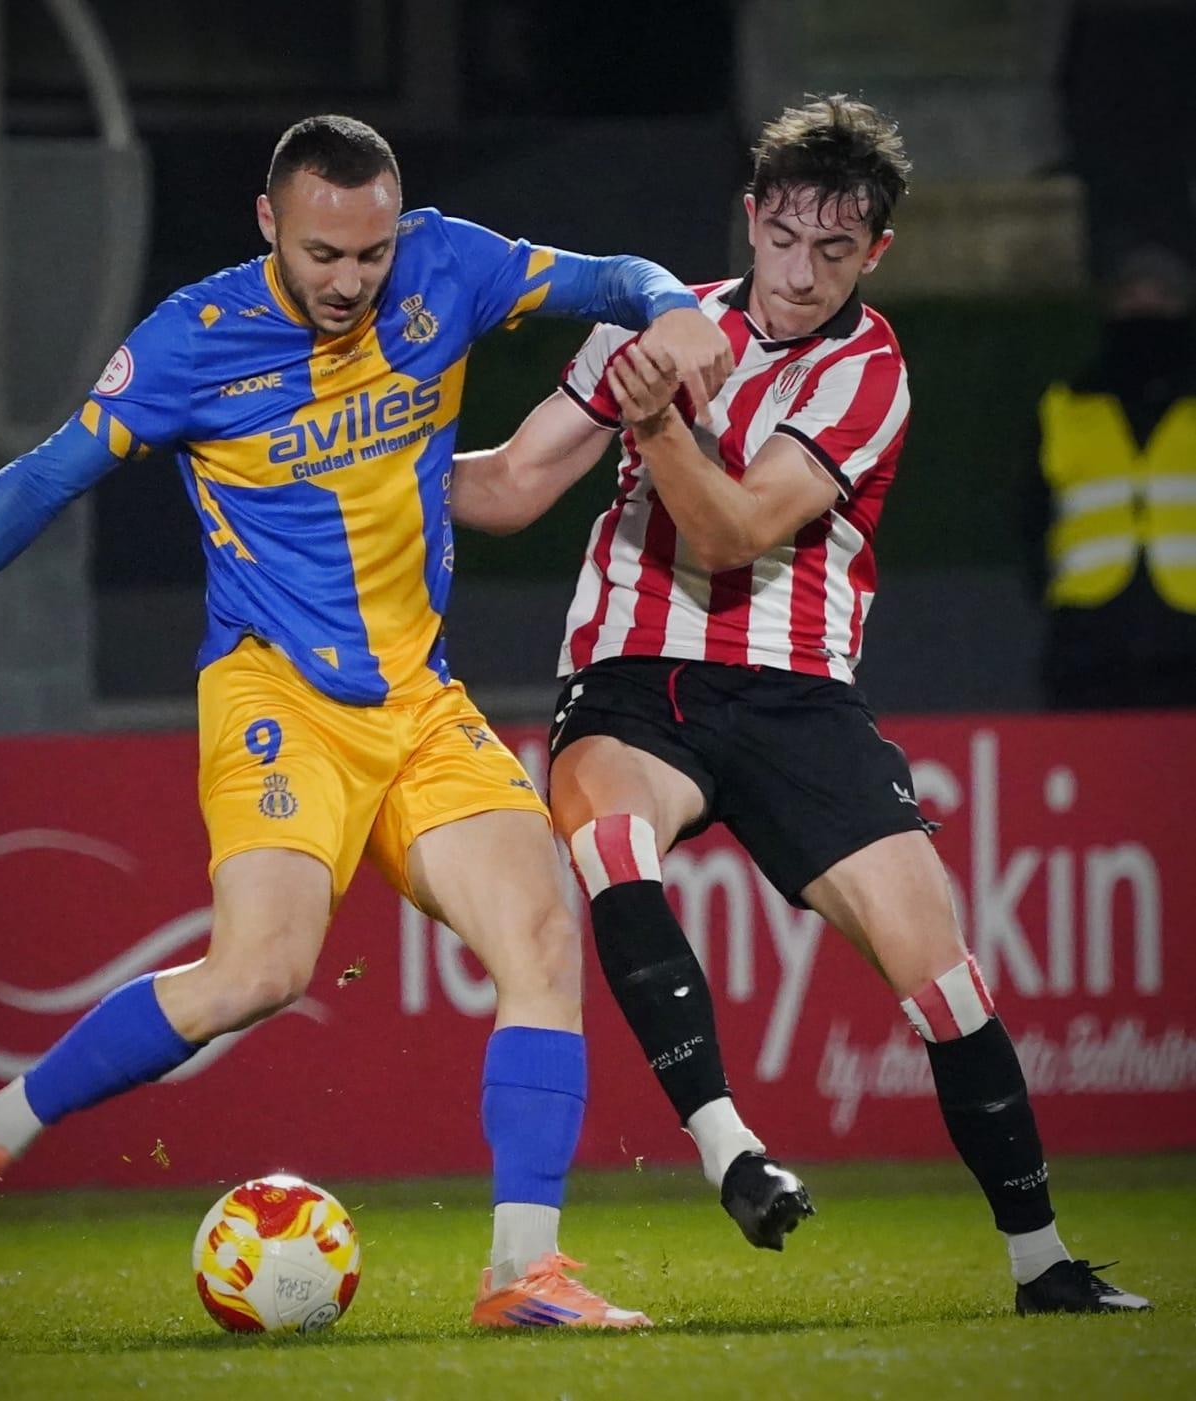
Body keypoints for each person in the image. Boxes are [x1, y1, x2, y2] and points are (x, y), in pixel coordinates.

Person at [0, 113, 736, 1330]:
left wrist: (672, 302)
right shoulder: (192, 342)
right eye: (322, 256)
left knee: (538, 927)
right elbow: (46, 472)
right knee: (262, 970)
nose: (349, 283)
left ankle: (524, 1272)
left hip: (417, 697)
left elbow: (613, 280)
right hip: (275, 696)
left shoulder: (448, 265)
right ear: (270, 224)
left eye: (368, 257)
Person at [452, 95, 1151, 1316]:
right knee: (612, 846)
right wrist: (346, 463)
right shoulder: (657, 321)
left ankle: (1043, 1264)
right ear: (753, 216)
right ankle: (731, 1147)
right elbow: (508, 488)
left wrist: (652, 407)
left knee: (943, 980)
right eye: (787, 237)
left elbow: (730, 529)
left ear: (875, 251)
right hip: (631, 679)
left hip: (797, 698)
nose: (804, 272)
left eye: (838, 250)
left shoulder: (869, 371)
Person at [1022, 244, 1196, 710]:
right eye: (1133, 296)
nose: (1146, 308)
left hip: (1187, 636)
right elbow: (1031, 515)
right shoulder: (1066, 404)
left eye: (1161, 295)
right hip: (1089, 639)